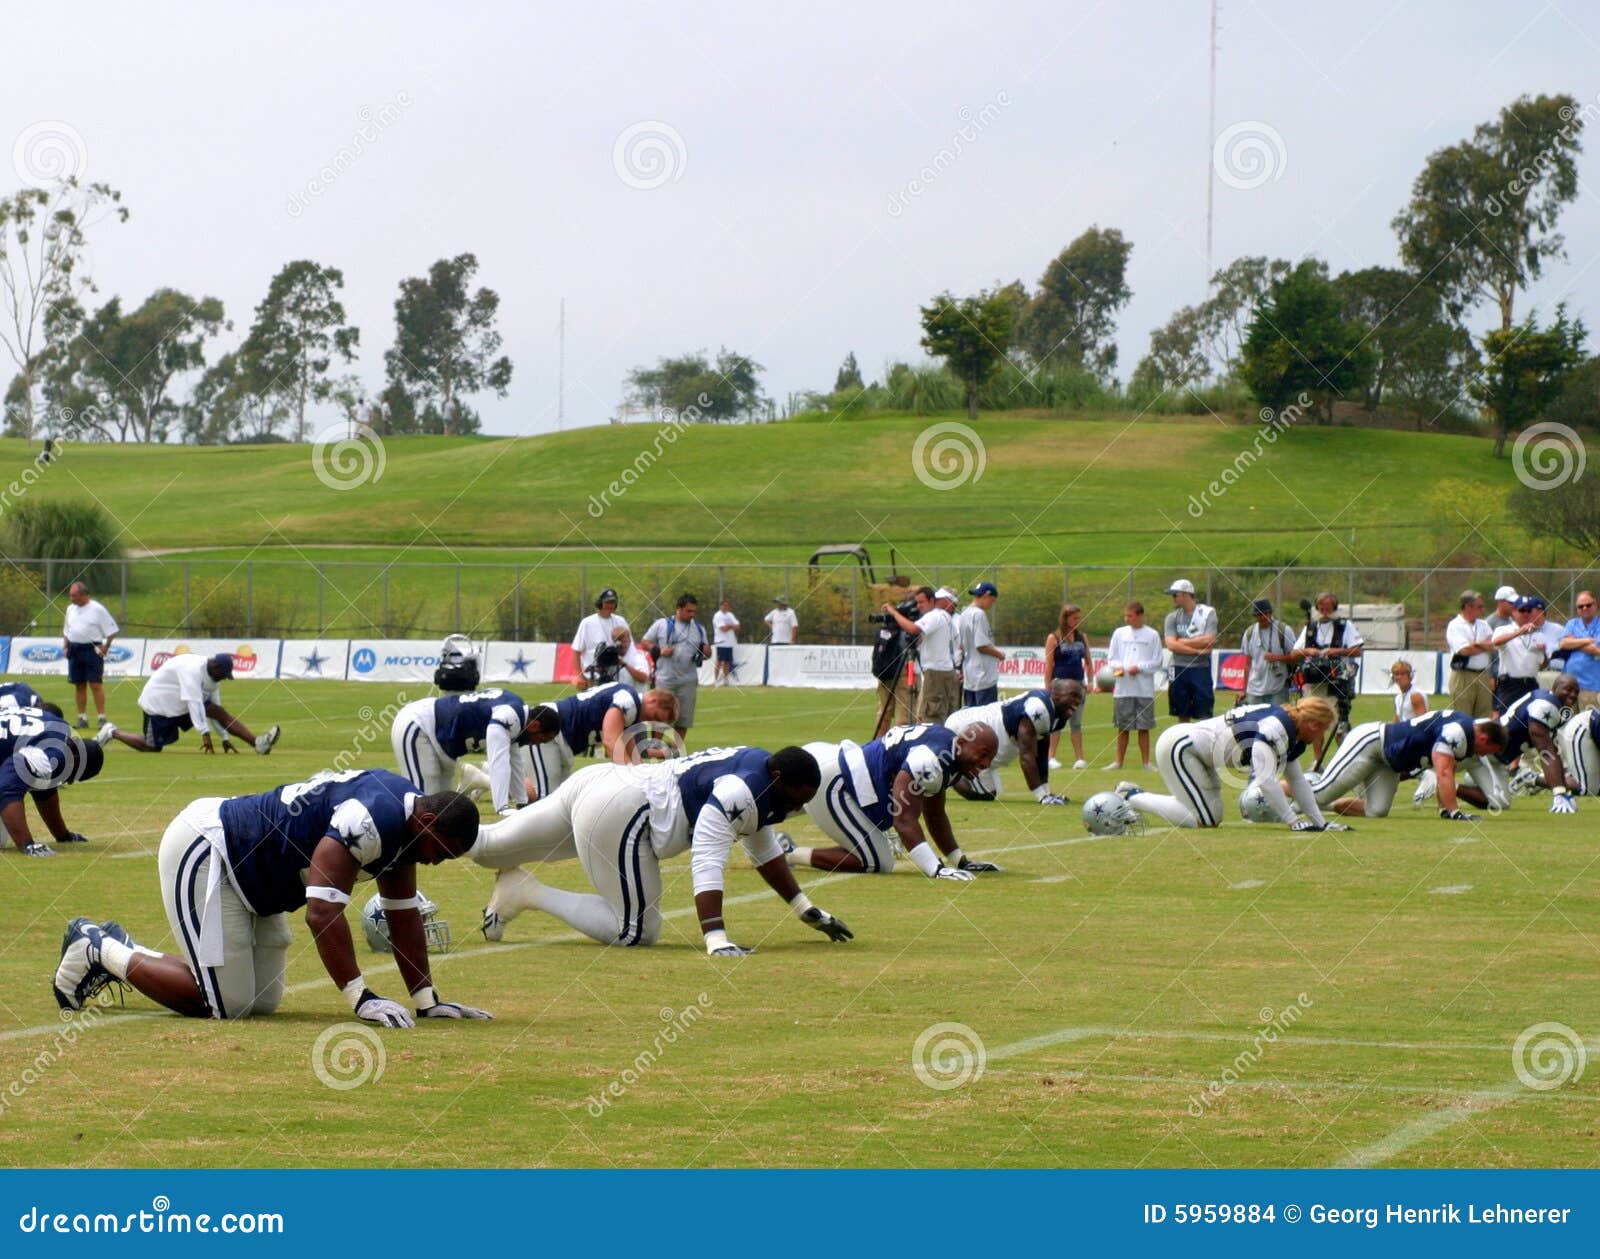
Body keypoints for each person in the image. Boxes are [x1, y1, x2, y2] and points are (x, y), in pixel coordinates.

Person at [51, 769, 488, 1024]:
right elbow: (320, 913)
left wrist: (427, 1002)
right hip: (213, 849)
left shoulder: (410, 830)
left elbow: (403, 914)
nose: (435, 863)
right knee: (224, 1005)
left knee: (261, 1003)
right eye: (440, 853)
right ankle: (99, 947)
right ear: (427, 821)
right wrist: (361, 996)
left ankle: (114, 949)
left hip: (260, 879)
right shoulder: (373, 819)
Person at [474, 746, 851, 955]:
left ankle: (427, 815)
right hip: (625, 810)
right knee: (635, 932)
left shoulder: (761, 770)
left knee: (488, 845)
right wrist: (715, 937)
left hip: (606, 779)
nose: (796, 809)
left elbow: (762, 847)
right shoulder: (742, 792)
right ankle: (526, 892)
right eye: (796, 799)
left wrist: (805, 909)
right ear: (780, 780)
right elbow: (706, 860)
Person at [789, 722, 1001, 879]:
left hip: (841, 769)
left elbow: (934, 814)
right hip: (838, 781)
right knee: (876, 860)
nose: (985, 763)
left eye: (990, 758)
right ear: (962, 743)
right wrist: (934, 869)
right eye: (983, 754)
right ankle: (787, 853)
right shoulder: (932, 759)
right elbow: (904, 820)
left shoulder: (949, 753)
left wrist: (960, 861)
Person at [1118, 697, 1338, 831]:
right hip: (1183, 746)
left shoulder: (1292, 730)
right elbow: (1265, 779)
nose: (1322, 735)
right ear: (1312, 724)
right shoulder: (1276, 728)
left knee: (1212, 816)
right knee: (1201, 820)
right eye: (1323, 729)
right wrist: (1292, 820)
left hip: (1200, 755)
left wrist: (1320, 822)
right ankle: (1131, 796)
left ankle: (1133, 796)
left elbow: (1297, 780)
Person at [1310, 709, 1506, 820]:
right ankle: (1302, 784)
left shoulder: (1466, 732)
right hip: (1372, 742)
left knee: (1376, 811)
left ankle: (1322, 805)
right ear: (1483, 737)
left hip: (1388, 764)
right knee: (1322, 792)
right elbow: (1444, 773)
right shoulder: (1457, 733)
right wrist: (1455, 812)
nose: (1484, 755)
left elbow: (1447, 770)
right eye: (1489, 750)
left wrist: (1444, 808)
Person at [516, 681, 679, 803]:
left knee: (560, 797)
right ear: (653, 701)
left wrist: (652, 763)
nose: (651, 722)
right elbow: (611, 741)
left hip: (564, 741)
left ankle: (501, 778)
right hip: (548, 730)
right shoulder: (628, 700)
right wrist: (634, 782)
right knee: (547, 800)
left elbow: (630, 751)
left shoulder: (634, 711)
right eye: (655, 717)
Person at [391, 686, 544, 816]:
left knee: (442, 807)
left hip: (442, 737)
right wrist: (502, 807)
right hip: (419, 723)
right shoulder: (510, 716)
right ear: (535, 726)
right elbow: (499, 762)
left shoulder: (516, 713)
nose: (536, 744)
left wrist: (522, 802)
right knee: (423, 801)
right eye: (541, 739)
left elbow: (514, 760)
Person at [1440, 676, 1582, 814]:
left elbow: (1551, 749)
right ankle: (1432, 777)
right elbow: (1546, 749)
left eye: (1576, 692)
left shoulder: (1556, 707)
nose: (1572, 694)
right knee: (1436, 767)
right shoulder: (1545, 705)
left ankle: (1449, 784)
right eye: (1568, 689)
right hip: (1479, 747)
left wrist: (1564, 790)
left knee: (1500, 803)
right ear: (1555, 688)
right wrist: (1559, 792)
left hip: (1497, 760)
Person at [103, 653, 280, 756]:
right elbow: (194, 702)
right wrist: (205, 734)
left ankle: (258, 743)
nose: (223, 679)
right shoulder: (192, 670)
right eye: (223, 674)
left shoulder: (213, 677)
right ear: (216, 666)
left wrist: (224, 738)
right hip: (158, 704)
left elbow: (217, 710)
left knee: (217, 711)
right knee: (152, 747)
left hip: (180, 705)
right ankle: (112, 732)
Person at [947, 680, 1083, 804]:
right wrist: (1041, 796)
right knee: (986, 793)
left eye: (1079, 697)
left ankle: (952, 770)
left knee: (991, 789)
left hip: (986, 742)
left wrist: (1047, 792)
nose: (1077, 701)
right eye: (1073, 695)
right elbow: (1026, 757)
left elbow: (1041, 753)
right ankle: (949, 774)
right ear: (1057, 695)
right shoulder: (1039, 709)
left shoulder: (1058, 715)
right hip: (965, 729)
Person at [1, 706, 104, 856]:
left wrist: (63, 835)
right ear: (75, 759)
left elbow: (43, 788)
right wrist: (28, 845)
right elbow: (7, 787)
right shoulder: (57, 754)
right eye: (74, 775)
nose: (68, 782)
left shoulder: (60, 734)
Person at [1292, 592, 1364, 760]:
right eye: (1321, 608)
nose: (1325, 611)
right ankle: (1318, 761)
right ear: (1317, 608)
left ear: (1334, 608)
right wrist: (1308, 651)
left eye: (1328, 608)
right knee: (1315, 720)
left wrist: (1337, 651)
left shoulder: (1345, 626)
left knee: (1340, 722)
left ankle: (1344, 760)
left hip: (1337, 682)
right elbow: (1294, 653)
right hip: (1314, 681)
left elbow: (1358, 650)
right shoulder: (1310, 628)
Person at [885, 586, 960, 724]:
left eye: (922, 602)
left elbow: (912, 629)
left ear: (934, 600)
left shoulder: (935, 615)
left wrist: (894, 613)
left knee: (930, 717)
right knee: (946, 716)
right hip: (947, 670)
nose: (919, 606)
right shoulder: (947, 618)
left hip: (935, 673)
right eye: (917, 602)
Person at [642, 593, 708, 743]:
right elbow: (645, 642)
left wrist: (706, 652)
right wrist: (659, 650)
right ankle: (654, 747)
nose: (692, 615)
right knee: (659, 716)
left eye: (694, 611)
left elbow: (705, 650)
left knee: (684, 719)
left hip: (688, 680)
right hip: (665, 679)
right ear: (679, 609)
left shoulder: (698, 628)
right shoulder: (661, 624)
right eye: (688, 611)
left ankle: (676, 751)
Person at [1105, 601, 1162, 771]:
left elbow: (1157, 661)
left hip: (1144, 690)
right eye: (1126, 615)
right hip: (1123, 689)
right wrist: (1119, 668)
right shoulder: (1119, 633)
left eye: (1130, 616)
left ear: (1140, 616)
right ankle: (1118, 762)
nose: (1127, 619)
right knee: (1123, 727)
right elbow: (1111, 658)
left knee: (1144, 727)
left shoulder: (1152, 635)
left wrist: (1141, 668)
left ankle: (1146, 763)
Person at [61, 581, 119, 729]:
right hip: (74, 648)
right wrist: (65, 646)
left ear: (83, 595)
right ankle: (82, 718)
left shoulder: (97, 609)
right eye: (70, 595)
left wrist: (106, 646)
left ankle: (102, 718)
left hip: (92, 649)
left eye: (74, 595)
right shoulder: (70, 609)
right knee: (79, 685)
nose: (71, 598)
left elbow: (112, 630)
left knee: (95, 684)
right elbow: (67, 630)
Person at [1163, 579, 1217, 722]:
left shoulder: (1207, 613)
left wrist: (1181, 641)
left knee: (1204, 715)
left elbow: (1209, 640)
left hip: (1200, 669)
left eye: (1175, 595)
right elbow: (1171, 645)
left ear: (1186, 595)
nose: (1173, 598)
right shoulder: (1172, 617)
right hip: (1178, 668)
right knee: (1182, 713)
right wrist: (1197, 651)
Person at [1044, 604, 1090, 770]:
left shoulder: (1081, 637)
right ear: (1065, 618)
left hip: (1078, 684)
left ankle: (1080, 758)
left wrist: (1090, 681)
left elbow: (1088, 661)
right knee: (1058, 721)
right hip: (1060, 685)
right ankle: (1051, 757)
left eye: (1079, 618)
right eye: (1074, 618)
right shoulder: (1054, 638)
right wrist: (1047, 687)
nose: (1078, 621)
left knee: (1076, 722)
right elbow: (1049, 664)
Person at [1444, 590, 1495, 718]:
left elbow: (1493, 645)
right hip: (1463, 675)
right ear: (1467, 607)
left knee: (1484, 718)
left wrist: (1476, 644)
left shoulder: (1483, 624)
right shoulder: (1455, 625)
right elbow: (1464, 651)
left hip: (1483, 674)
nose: (1482, 610)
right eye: (1479, 607)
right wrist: (1484, 645)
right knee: (1462, 717)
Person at [1490, 597, 1546, 714]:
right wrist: (1519, 632)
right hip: (1510, 684)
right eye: (1522, 610)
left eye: (1529, 611)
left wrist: (1544, 652)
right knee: (1506, 721)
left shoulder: (1538, 634)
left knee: (1529, 721)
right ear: (1514, 612)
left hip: (1530, 683)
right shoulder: (1504, 629)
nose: (1526, 614)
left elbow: (1543, 664)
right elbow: (1496, 642)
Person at [1241, 598, 1297, 706]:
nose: (1263, 617)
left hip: (1278, 688)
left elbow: (1295, 657)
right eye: (1259, 614)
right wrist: (1244, 690)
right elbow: (1247, 664)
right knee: (1254, 721)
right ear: (1255, 616)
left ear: (1270, 613)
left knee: (1277, 720)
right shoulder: (1249, 633)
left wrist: (1277, 658)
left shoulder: (1284, 630)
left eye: (1265, 613)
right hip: (1254, 690)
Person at [958, 581, 1005, 706]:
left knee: (971, 718)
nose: (991, 604)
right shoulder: (979, 614)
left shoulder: (964, 613)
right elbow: (981, 645)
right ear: (987, 595)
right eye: (992, 600)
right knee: (985, 718)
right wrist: (999, 654)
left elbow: (961, 646)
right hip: (983, 675)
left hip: (969, 676)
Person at [572, 588, 629, 677]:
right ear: (600, 603)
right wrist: (579, 676)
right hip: (593, 675)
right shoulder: (587, 623)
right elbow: (576, 651)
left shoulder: (621, 621)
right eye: (607, 602)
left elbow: (628, 646)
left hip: (616, 674)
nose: (610, 605)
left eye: (612, 603)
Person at [1559, 590, 1600, 710]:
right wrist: (1588, 640)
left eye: (1588, 605)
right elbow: (1563, 644)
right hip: (1568, 686)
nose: (1585, 608)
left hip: (1592, 687)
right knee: (1567, 725)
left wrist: (1574, 642)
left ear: (1596, 605)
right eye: (1580, 606)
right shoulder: (1572, 624)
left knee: (1589, 725)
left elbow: (1596, 650)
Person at [1555, 706, 1600, 800]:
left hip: (1592, 730)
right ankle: (1532, 777)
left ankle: (1562, 773)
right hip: (1581, 728)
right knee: (1588, 789)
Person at [712, 598, 740, 686]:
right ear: (721, 606)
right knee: (719, 661)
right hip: (721, 642)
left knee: (727, 662)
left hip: (730, 642)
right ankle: (715, 680)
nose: (725, 607)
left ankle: (726, 680)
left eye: (727, 605)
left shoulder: (730, 615)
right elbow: (723, 629)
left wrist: (729, 626)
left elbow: (738, 626)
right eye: (724, 605)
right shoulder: (718, 615)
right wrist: (732, 626)